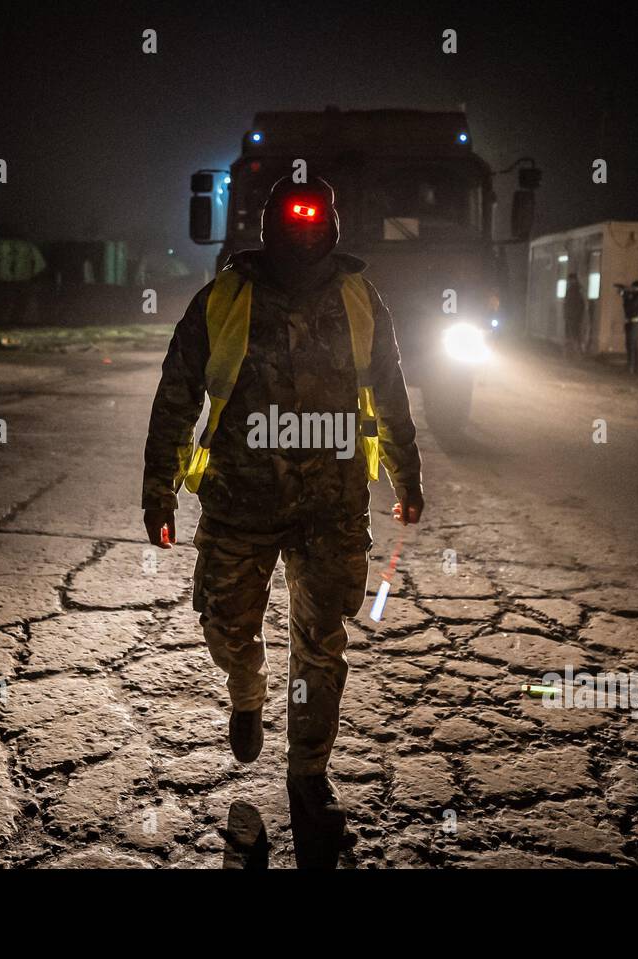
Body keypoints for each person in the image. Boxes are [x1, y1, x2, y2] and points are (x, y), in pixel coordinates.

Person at [141, 176, 424, 829]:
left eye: (313, 219)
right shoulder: (224, 299)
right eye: (289, 220)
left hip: (332, 508)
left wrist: (407, 478)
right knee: (225, 622)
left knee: (321, 643)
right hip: (240, 504)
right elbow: (176, 396)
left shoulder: (361, 299)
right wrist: (158, 489)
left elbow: (392, 393)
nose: (302, 232)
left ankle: (308, 773)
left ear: (331, 226)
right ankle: (246, 685)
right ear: (269, 226)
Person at [617, 280, 638, 373]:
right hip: (633, 323)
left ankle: (631, 367)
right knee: (634, 345)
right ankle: (635, 367)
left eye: (632, 288)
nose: (631, 289)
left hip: (634, 323)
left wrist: (625, 296)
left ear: (636, 287)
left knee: (631, 345)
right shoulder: (637, 296)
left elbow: (630, 308)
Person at [563, 272, 585, 359]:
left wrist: (568, 314)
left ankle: (574, 353)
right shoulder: (578, 289)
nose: (569, 282)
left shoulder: (573, 290)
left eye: (570, 280)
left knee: (573, 335)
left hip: (572, 316)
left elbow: (573, 304)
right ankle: (573, 353)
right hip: (574, 316)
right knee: (575, 334)